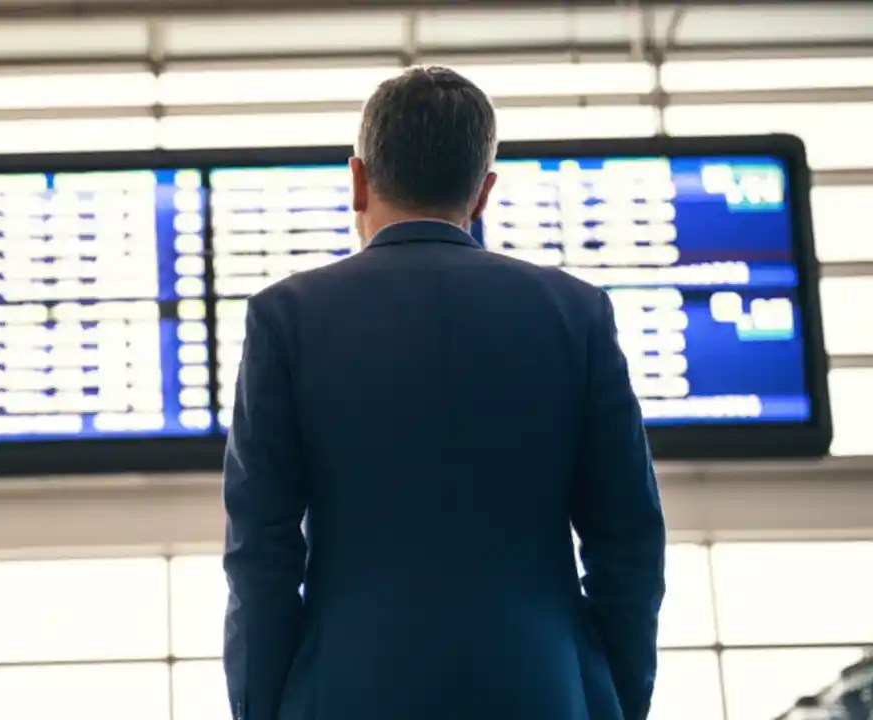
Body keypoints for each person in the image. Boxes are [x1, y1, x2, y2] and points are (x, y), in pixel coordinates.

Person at [222, 66, 666, 720]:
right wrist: (607, 699)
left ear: (358, 180)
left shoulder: (285, 318)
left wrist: (265, 708)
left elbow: (260, 556)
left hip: (346, 695)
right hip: (544, 691)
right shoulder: (576, 314)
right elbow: (629, 544)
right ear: (483, 192)